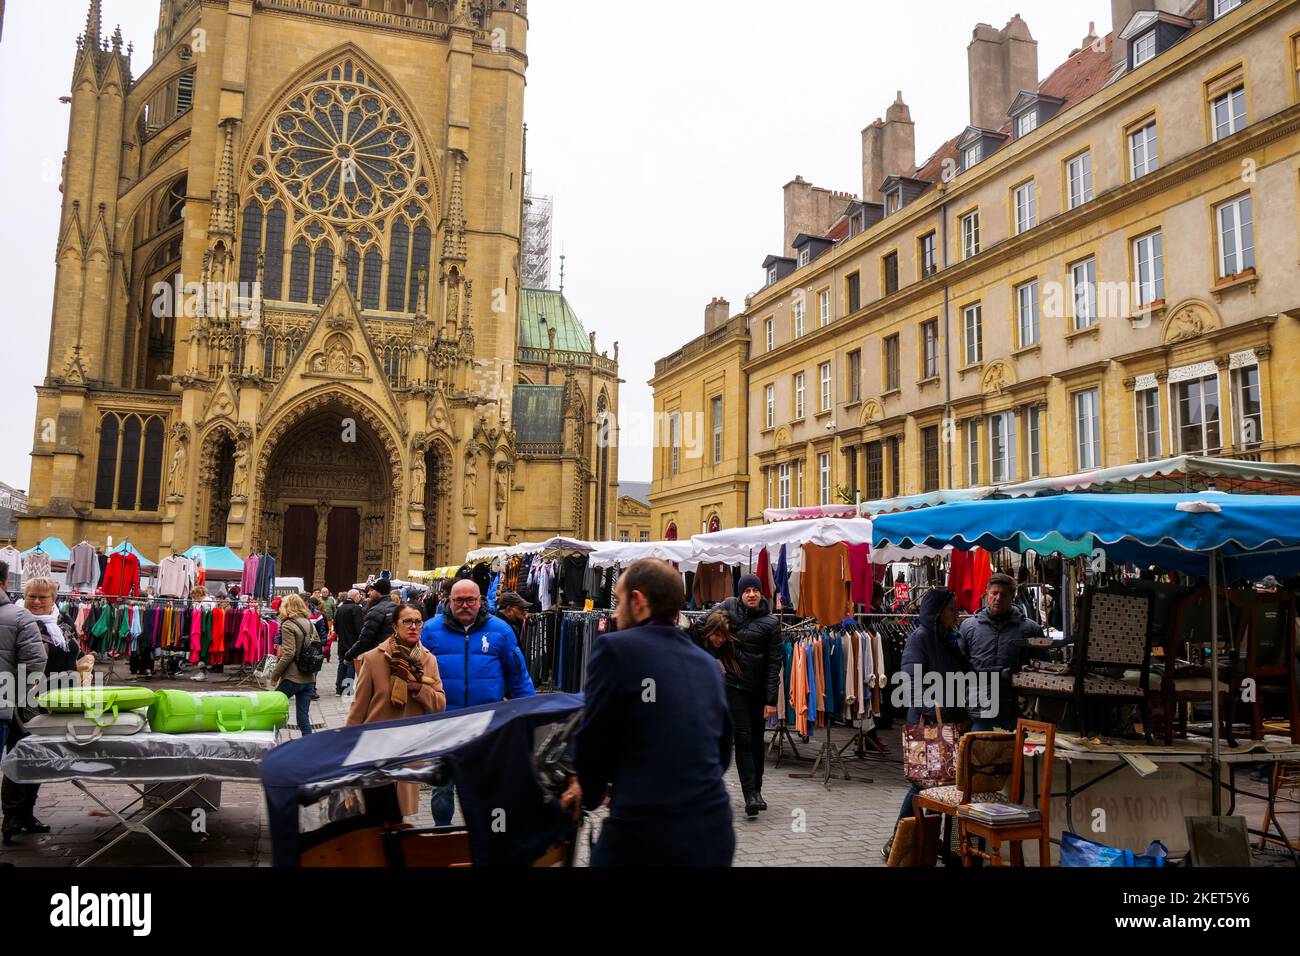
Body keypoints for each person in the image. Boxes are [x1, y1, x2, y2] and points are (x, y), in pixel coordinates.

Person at [561, 559, 734, 867]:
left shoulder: (615, 649)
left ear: (638, 601)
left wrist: (588, 792)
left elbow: (595, 739)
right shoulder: (707, 663)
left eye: (617, 601)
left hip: (647, 830)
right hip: (714, 829)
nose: (613, 613)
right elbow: (721, 750)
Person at [420, 579, 535, 826]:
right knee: (442, 785)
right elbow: (415, 675)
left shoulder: (501, 630)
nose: (464, 605)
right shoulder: (429, 630)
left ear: (480, 601)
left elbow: (518, 676)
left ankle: (487, 837)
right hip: (444, 721)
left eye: (470, 600)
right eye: (458, 600)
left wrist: (530, 713)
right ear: (449, 601)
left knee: (488, 784)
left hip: (486, 723)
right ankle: (443, 835)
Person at [882, 588, 969, 861]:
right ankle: (898, 841)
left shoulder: (953, 639)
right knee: (923, 785)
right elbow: (910, 682)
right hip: (928, 724)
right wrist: (932, 712)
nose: (956, 614)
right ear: (937, 612)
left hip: (951, 724)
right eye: (952, 609)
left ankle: (935, 844)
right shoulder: (919, 638)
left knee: (944, 785)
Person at [692, 573, 781, 818]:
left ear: (762, 593)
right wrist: (713, 659)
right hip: (734, 687)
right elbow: (700, 627)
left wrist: (771, 700)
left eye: (755, 590)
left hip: (758, 689)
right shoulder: (728, 606)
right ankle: (750, 795)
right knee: (743, 738)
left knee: (757, 742)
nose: (751, 594)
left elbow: (774, 663)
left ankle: (758, 791)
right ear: (740, 594)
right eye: (746, 590)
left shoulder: (772, 623)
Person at [347, 604, 446, 815]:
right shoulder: (374, 658)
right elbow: (359, 707)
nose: (413, 627)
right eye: (407, 622)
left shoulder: (428, 660)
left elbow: (440, 704)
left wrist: (420, 689)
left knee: (400, 817)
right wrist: (347, 746)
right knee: (374, 816)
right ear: (395, 626)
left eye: (418, 622)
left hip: (408, 751)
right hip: (376, 749)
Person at [1, 575, 62, 845]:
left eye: (42, 597)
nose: (36, 602)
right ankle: (11, 816)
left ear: (53, 600)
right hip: (18, 700)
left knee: (38, 759)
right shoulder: (16, 620)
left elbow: (73, 655)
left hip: (52, 701)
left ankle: (27, 813)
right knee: (18, 756)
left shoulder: (63, 624)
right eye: (31, 596)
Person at [958, 573, 1043, 732]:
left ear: (1012, 597)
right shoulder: (968, 627)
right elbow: (959, 666)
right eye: (994, 593)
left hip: (1015, 709)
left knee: (1013, 754)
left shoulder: (1030, 629)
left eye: (1003, 594)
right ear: (986, 595)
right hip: (978, 709)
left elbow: (1041, 668)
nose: (997, 598)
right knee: (979, 752)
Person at [267, 593, 320, 736]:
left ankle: (269, 741)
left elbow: (289, 654)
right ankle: (308, 747)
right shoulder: (309, 623)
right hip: (308, 677)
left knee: (273, 709)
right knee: (303, 719)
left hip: (292, 678)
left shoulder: (288, 625)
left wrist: (275, 675)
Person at [344, 579, 398, 665]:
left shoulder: (376, 610)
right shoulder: (396, 608)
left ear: (379, 592)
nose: (368, 593)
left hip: (378, 657)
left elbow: (365, 639)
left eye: (372, 590)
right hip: (394, 656)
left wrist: (348, 656)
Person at [333, 589, 365, 696]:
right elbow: (359, 628)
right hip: (353, 643)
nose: (360, 598)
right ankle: (348, 689)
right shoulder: (356, 608)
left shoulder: (340, 608)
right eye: (359, 596)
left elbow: (335, 627)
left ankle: (338, 688)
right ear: (355, 596)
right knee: (351, 664)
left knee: (342, 663)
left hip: (342, 642)